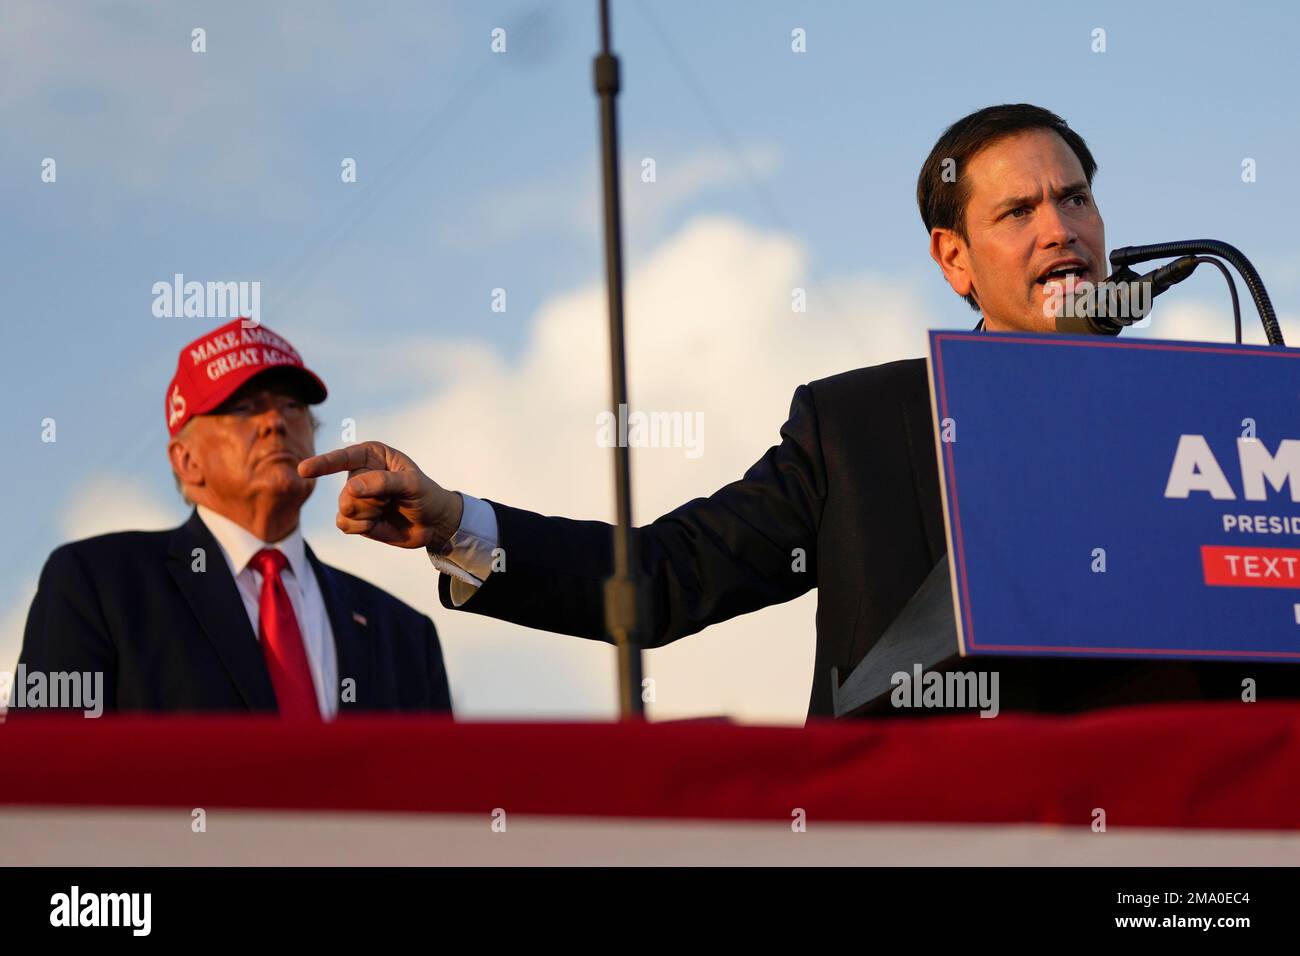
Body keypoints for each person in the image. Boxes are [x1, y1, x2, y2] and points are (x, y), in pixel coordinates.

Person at [297, 104, 1294, 719]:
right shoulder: (861, 429)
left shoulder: (1221, 419)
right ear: (955, 261)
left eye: (1074, 200)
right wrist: (459, 523)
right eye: (1017, 211)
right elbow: (663, 577)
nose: (1059, 229)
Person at [16, 318, 452, 718]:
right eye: (244, 408)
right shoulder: (99, 585)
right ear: (186, 460)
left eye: (292, 406)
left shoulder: (404, 636)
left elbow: (439, 795)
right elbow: (46, 771)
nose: (275, 423)